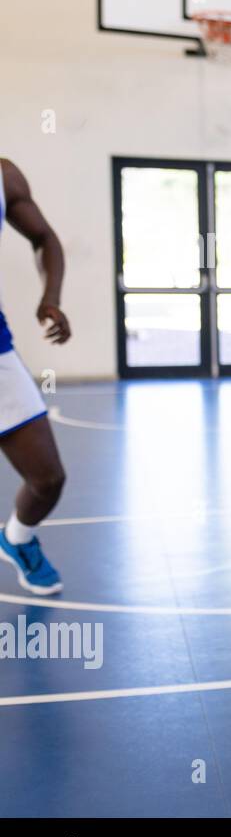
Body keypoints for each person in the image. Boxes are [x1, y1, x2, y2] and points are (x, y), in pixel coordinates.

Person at [0, 158, 71, 595]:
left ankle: (17, 538)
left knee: (48, 478)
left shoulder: (5, 175)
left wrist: (51, 297)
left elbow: (45, 239)